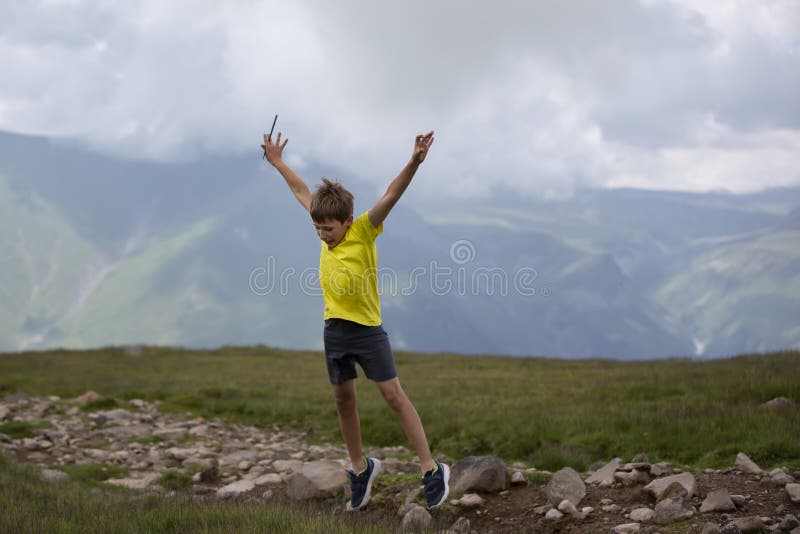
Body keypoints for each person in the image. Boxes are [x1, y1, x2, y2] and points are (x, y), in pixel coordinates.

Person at [261, 129, 449, 511]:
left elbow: (391, 194)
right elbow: (301, 191)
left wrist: (413, 161)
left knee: (393, 396)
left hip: (367, 331)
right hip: (335, 329)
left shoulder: (363, 230)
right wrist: (278, 161)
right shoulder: (323, 221)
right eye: (317, 228)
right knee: (343, 400)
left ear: (347, 221)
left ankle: (431, 469)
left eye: (327, 229)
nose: (322, 235)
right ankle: (359, 468)